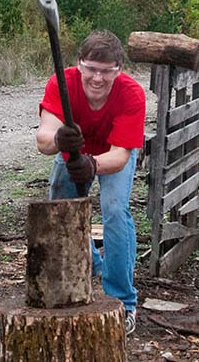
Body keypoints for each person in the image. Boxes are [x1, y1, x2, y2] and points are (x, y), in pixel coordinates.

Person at [36, 30, 146, 336]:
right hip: (74, 153)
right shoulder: (62, 83)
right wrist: (60, 139)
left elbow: (120, 156)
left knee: (114, 210)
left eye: (106, 71)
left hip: (111, 153)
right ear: (79, 64)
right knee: (62, 210)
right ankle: (91, 264)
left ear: (119, 70)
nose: (98, 78)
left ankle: (123, 301)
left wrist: (93, 165)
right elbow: (44, 140)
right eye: (91, 69)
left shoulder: (131, 94)